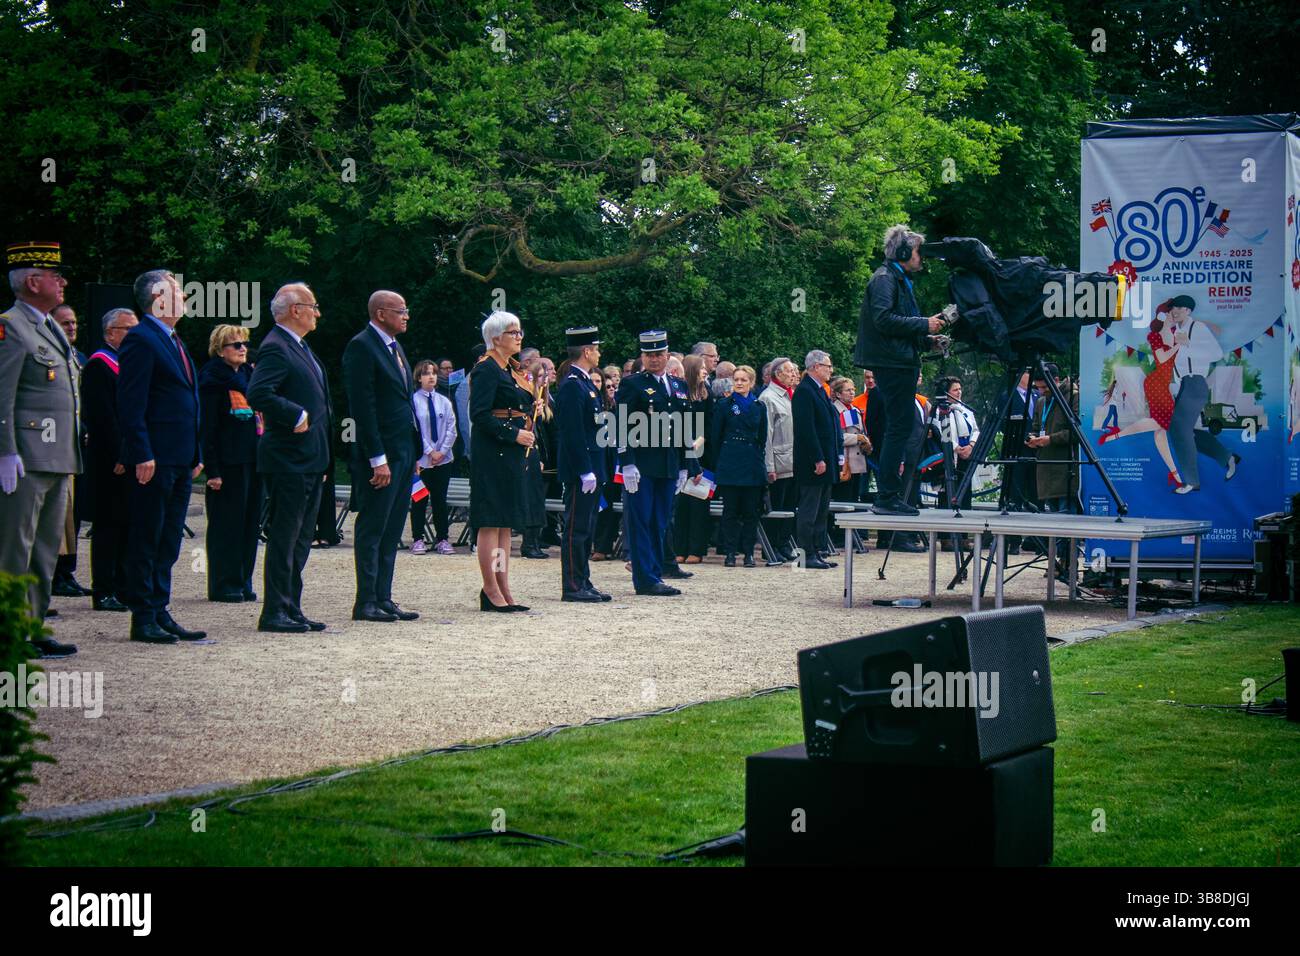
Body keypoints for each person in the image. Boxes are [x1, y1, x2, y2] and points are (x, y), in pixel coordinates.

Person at [0, 241, 82, 656]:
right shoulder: (10, 325)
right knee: (16, 548)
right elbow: (2, 393)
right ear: (33, 281)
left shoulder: (48, 325)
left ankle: (34, 626)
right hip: (26, 456)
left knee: (46, 548)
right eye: (55, 275)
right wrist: (4, 450)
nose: (62, 281)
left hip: (56, 454)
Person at [117, 269, 205, 644]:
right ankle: (143, 615)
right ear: (158, 298)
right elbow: (131, 402)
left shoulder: (173, 340)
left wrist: (197, 452)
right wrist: (142, 451)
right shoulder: (140, 338)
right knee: (148, 535)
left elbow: (189, 400)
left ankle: (160, 606)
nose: (185, 298)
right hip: (155, 457)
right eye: (178, 292)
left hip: (180, 457)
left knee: (169, 538)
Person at [248, 282, 332, 633]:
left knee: (299, 537)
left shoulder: (300, 347)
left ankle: (291, 605)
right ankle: (275, 611)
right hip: (288, 458)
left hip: (309, 458)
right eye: (312, 306)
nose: (317, 312)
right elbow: (258, 392)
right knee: (285, 535)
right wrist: (294, 414)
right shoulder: (276, 347)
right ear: (295, 309)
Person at [341, 290, 422, 623]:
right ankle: (366, 600)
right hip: (383, 452)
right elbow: (364, 407)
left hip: (403, 450)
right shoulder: (362, 346)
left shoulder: (394, 346)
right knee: (374, 526)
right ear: (380, 314)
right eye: (400, 311)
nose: (406, 316)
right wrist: (377, 458)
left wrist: (413, 451)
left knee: (392, 529)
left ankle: (383, 596)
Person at [857, 225, 947, 517]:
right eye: (919, 252)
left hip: (899, 361)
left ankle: (889, 494)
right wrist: (924, 324)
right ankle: (887, 495)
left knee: (900, 427)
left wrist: (926, 340)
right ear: (905, 252)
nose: (922, 258)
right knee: (898, 428)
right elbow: (884, 320)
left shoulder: (899, 279)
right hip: (893, 364)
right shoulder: (885, 279)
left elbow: (900, 323)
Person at [616, 330, 699, 596]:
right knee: (641, 520)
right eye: (649, 354)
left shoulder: (678, 386)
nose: (654, 359)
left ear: (667, 354)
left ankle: (655, 573)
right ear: (642, 356)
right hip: (642, 464)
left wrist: (686, 464)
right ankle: (646, 579)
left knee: (660, 521)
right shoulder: (633, 384)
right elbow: (621, 424)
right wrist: (627, 462)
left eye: (659, 354)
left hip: (668, 463)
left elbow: (686, 427)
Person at [469, 311, 536, 611]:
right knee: (490, 522)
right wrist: (513, 434)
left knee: (505, 525)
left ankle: (503, 584)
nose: (519, 337)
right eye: (513, 332)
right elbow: (479, 415)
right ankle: (490, 587)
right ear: (495, 338)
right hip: (493, 452)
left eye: (520, 332)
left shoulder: (508, 369)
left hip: (509, 452)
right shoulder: (486, 369)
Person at [199, 323, 261, 602]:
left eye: (244, 343)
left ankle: (243, 579)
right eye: (236, 345)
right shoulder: (213, 379)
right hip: (227, 462)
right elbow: (207, 428)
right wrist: (212, 469)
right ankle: (224, 583)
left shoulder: (249, 375)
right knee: (227, 525)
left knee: (249, 523)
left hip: (252, 459)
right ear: (220, 349)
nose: (242, 349)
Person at [80, 307, 137, 612]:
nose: (133, 334)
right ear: (110, 333)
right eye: (128, 329)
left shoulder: (129, 362)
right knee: (108, 526)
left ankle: (123, 586)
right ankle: (104, 589)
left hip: (131, 455)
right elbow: (102, 417)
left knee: (128, 524)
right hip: (109, 458)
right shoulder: (99, 365)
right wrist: (122, 452)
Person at [554, 326, 611, 602]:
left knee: (586, 528)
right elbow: (573, 432)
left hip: (592, 464)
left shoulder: (585, 382)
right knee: (576, 528)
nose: (598, 353)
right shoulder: (572, 385)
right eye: (596, 348)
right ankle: (573, 585)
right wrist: (584, 469)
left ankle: (583, 579)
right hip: (582, 469)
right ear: (586, 351)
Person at [1099, 305, 1183, 487]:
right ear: (1165, 314)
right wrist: (1178, 346)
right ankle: (1115, 436)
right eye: (1172, 312)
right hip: (1156, 383)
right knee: (1161, 423)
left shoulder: (1176, 332)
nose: (1176, 314)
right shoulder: (1155, 335)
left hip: (1164, 382)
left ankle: (1175, 474)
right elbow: (1161, 359)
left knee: (1160, 431)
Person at [1163, 295, 1239, 494]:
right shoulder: (1177, 331)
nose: (1174, 311)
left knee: (1179, 430)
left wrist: (1189, 345)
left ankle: (1191, 481)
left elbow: (1216, 354)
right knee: (1181, 431)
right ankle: (1226, 456)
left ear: (1188, 310)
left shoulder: (1197, 328)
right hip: (1182, 386)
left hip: (1195, 383)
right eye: (1173, 308)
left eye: (1179, 307)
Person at [50, 303, 91, 599]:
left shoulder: (80, 358)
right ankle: (50, 576)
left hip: (76, 446)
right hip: (50, 446)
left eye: (74, 323)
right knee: (52, 517)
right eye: (65, 323)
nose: (72, 327)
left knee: (72, 516)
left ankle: (67, 572)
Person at [712, 365, 768, 567]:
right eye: (736, 379)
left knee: (751, 511)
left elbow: (762, 437)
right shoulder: (724, 405)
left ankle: (749, 553)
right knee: (730, 511)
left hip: (751, 461)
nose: (739, 383)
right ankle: (729, 552)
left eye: (744, 380)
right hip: (730, 460)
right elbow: (716, 435)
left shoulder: (759, 406)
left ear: (751, 382)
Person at [792, 350, 839, 569]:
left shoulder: (820, 391)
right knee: (809, 509)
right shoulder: (804, 391)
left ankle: (817, 550)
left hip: (826, 457)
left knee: (821, 508)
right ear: (815, 367)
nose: (830, 370)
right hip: (812, 460)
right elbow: (806, 429)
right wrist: (818, 458)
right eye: (827, 366)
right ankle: (805, 554)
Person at [409, 360, 457, 556]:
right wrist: (429, 451)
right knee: (419, 499)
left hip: (442, 460)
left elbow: (451, 428)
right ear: (419, 377)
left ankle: (443, 538)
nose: (431, 377)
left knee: (440, 500)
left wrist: (442, 451)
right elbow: (415, 430)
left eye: (434, 373)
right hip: (422, 460)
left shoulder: (444, 401)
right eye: (426, 373)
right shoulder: (413, 401)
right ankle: (418, 538)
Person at [673, 354, 714, 564]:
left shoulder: (708, 394)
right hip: (682, 453)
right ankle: (679, 547)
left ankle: (696, 549)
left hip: (702, 453)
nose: (705, 371)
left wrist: (700, 440)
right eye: (701, 368)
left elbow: (711, 424)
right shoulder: (679, 393)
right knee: (680, 506)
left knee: (698, 504)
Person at [1027, 364, 1080, 513]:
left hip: (1066, 471)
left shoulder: (1073, 396)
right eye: (1038, 387)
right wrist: (1033, 439)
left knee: (1067, 520)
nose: (1041, 391)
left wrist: (1050, 439)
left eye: (1044, 387)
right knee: (1052, 522)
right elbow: (1036, 428)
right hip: (1045, 469)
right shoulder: (1040, 402)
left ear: (1056, 380)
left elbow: (1077, 432)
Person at [759, 356, 797, 561]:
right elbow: (766, 435)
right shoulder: (768, 398)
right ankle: (771, 546)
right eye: (789, 371)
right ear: (778, 374)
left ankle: (783, 543)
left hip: (791, 461)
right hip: (778, 461)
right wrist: (769, 465)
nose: (793, 374)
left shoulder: (790, 396)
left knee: (789, 506)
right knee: (776, 506)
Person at [518, 353, 552, 559]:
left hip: (539, 454)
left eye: (544, 376)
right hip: (527, 452)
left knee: (537, 499)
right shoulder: (529, 399)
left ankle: (535, 540)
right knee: (531, 499)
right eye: (539, 376)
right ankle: (529, 543)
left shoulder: (546, 401)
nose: (543, 380)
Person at [591, 367, 623, 561]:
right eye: (605, 384)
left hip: (613, 459)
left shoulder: (617, 407)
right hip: (597, 457)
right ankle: (595, 544)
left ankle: (603, 546)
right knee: (598, 504)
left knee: (609, 502)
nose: (609, 388)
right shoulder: (591, 404)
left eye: (611, 385)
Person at [831, 376, 871, 503]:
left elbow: (861, 431)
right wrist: (857, 438)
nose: (852, 392)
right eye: (847, 390)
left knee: (854, 499)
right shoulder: (834, 410)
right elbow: (836, 436)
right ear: (838, 394)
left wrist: (866, 441)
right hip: (843, 463)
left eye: (853, 389)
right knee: (843, 499)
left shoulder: (855, 410)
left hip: (857, 462)